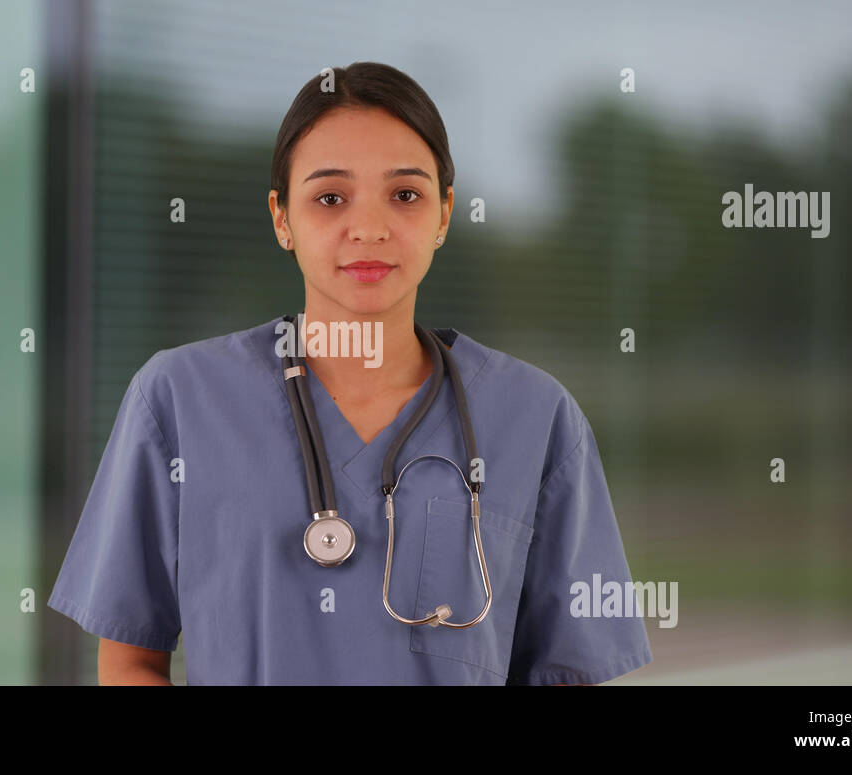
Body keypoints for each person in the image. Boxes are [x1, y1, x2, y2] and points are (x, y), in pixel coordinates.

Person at [48, 61, 652, 686]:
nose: (368, 229)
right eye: (330, 197)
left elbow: (571, 672)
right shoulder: (178, 398)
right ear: (282, 218)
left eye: (406, 195)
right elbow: (129, 661)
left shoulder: (536, 417)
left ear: (444, 214)